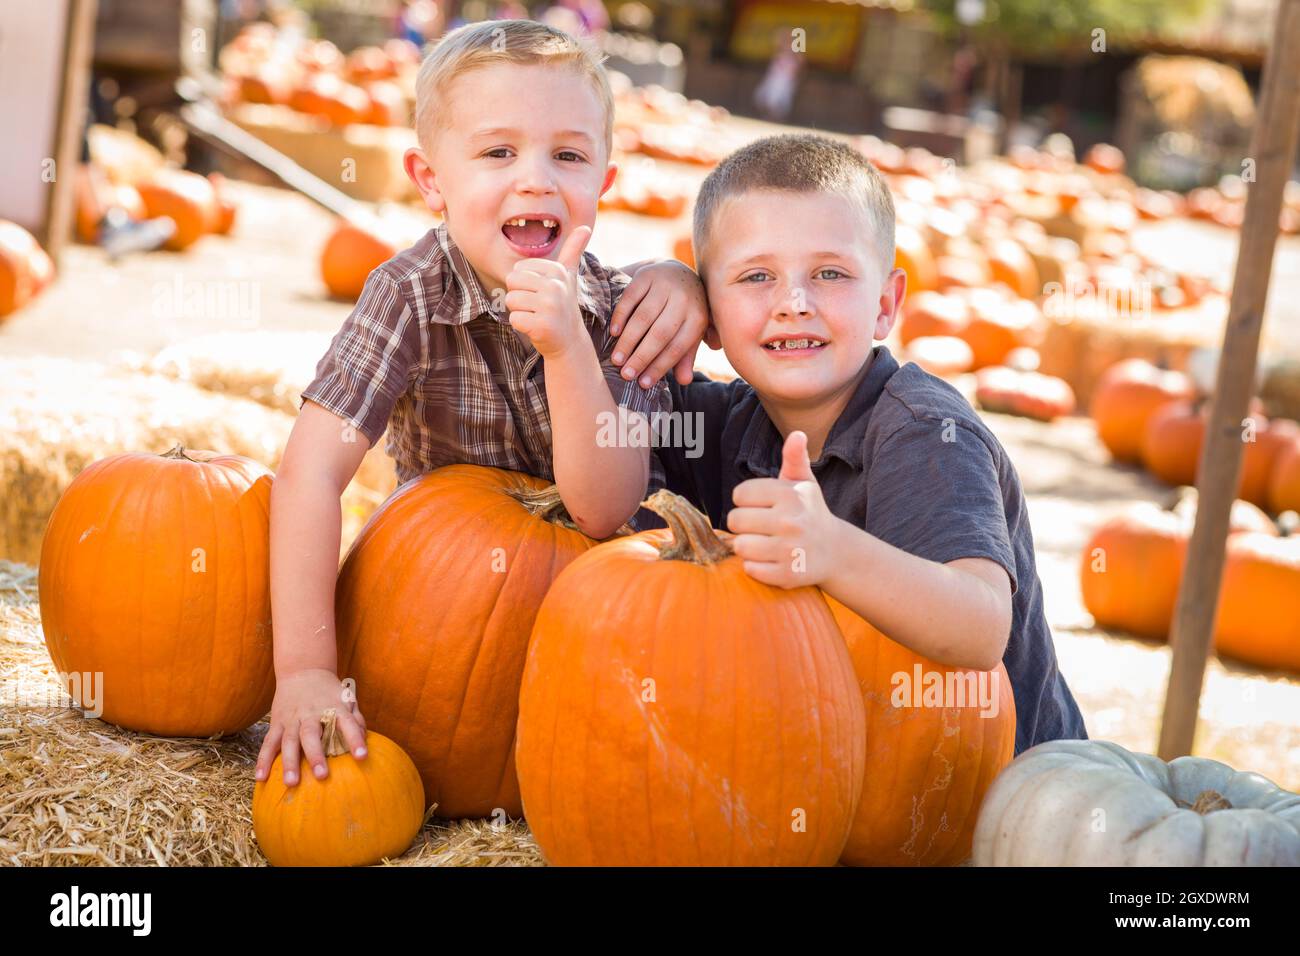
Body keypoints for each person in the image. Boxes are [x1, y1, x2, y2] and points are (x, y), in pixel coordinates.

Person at [256, 19, 708, 785]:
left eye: (567, 155)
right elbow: (309, 476)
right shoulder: (406, 294)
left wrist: (567, 346)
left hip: (594, 629)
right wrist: (304, 671)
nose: (535, 179)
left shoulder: (621, 312)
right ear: (431, 179)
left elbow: (602, 510)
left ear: (603, 179)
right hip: (440, 616)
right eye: (499, 152)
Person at [651, 134, 1088, 755]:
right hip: (837, 776)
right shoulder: (720, 423)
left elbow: (981, 626)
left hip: (995, 801)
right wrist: (660, 282)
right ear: (710, 316)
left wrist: (832, 551)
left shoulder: (924, 432)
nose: (793, 304)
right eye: (755, 277)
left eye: (830, 274)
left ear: (886, 305)